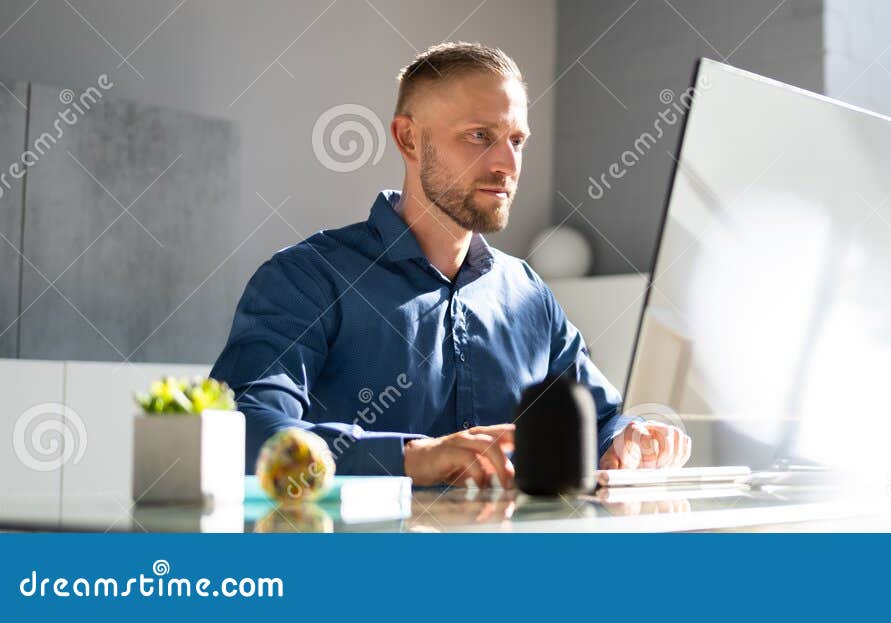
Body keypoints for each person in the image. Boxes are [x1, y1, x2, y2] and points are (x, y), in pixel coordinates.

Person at [211, 42, 690, 488]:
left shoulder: (527, 293)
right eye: (480, 136)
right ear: (409, 138)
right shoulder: (306, 278)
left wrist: (633, 437)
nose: (507, 163)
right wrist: (408, 458)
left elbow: (602, 417)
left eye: (517, 140)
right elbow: (243, 430)